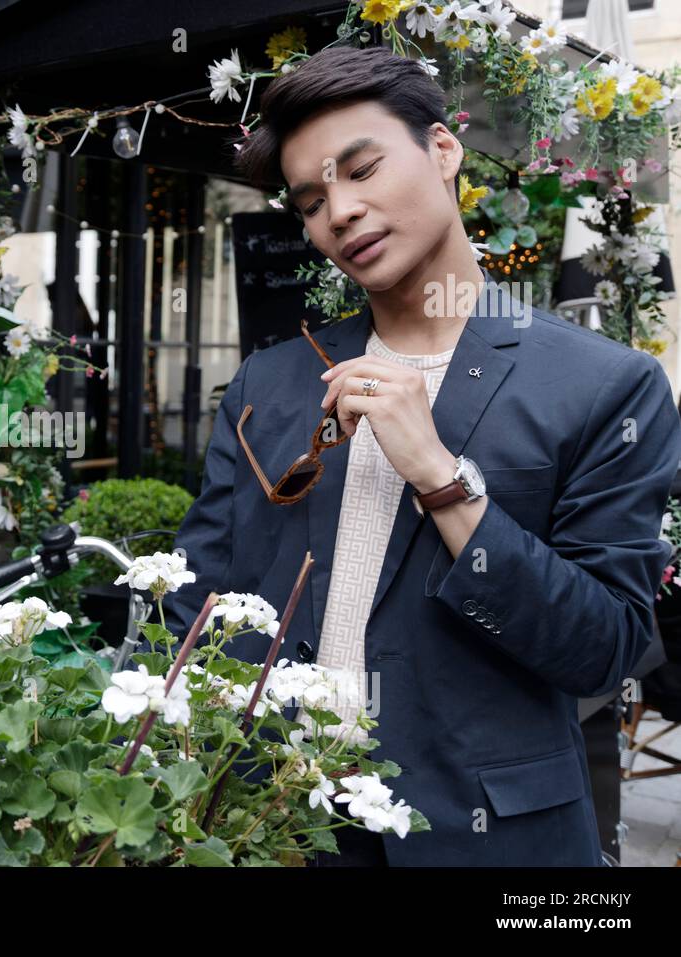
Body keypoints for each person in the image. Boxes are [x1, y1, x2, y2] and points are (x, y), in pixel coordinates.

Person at [165, 44, 681, 867]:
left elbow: (605, 648)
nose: (340, 211)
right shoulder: (274, 377)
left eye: (362, 169)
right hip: (274, 831)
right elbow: (198, 607)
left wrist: (444, 482)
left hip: (486, 842)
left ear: (444, 151)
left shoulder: (603, 386)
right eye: (312, 199)